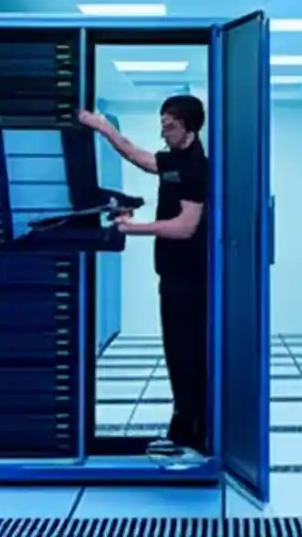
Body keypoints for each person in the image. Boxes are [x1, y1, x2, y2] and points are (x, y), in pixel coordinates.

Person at [79, 96, 210, 467]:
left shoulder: (197, 168)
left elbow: (186, 227)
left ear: (190, 127)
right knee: (176, 356)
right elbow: (138, 155)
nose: (163, 130)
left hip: (191, 279)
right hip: (171, 275)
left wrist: (134, 228)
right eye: (162, 122)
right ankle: (182, 432)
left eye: (169, 124)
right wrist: (103, 127)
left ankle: (194, 438)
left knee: (189, 357)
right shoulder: (173, 161)